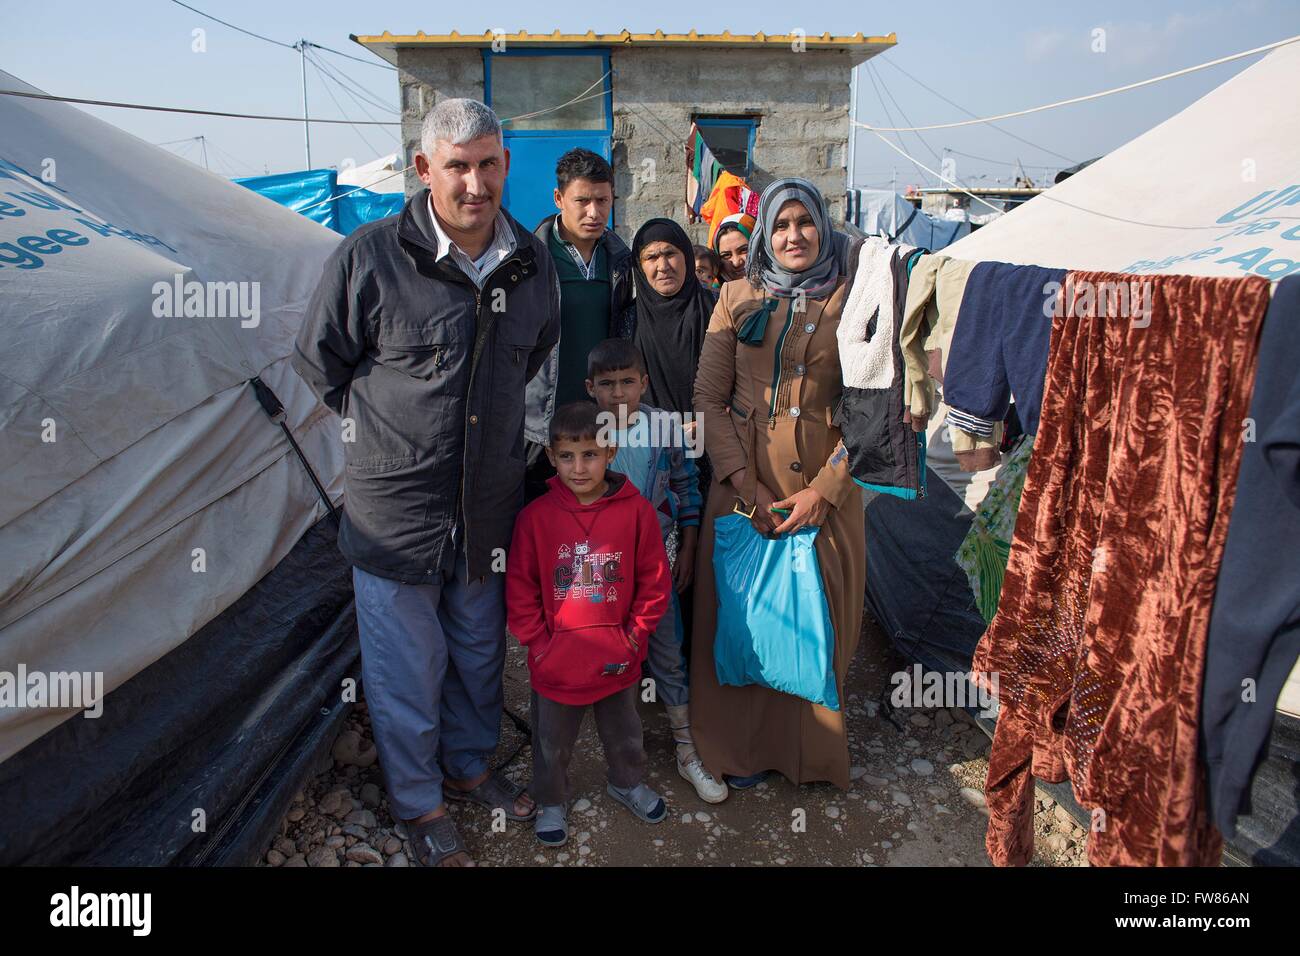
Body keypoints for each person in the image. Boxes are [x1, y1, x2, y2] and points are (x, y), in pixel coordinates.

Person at [292, 98, 559, 867]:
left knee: (478, 651)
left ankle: (470, 766)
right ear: (423, 169)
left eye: (487, 164)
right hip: (395, 512)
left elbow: (533, 352)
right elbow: (323, 363)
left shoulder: (531, 263)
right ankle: (420, 803)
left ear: (506, 166)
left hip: (486, 506)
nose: (475, 183)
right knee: (407, 667)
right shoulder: (371, 256)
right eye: (457, 166)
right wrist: (389, 435)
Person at [690, 177, 867, 793]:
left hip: (827, 486)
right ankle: (737, 750)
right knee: (742, 615)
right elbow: (708, 400)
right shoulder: (735, 295)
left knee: (814, 616)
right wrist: (745, 482)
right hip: (742, 484)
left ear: (823, 225)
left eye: (805, 222)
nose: (794, 236)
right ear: (765, 231)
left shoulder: (855, 294)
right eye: (781, 225)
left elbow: (875, 407)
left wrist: (824, 491)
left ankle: (809, 755)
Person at [506, 401, 673, 846]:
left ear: (612, 452)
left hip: (617, 657)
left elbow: (654, 579)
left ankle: (626, 782)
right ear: (550, 456)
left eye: (590, 455)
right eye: (567, 456)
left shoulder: (636, 512)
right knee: (551, 743)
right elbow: (521, 591)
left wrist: (635, 637)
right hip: (557, 663)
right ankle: (551, 801)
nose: (579, 467)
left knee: (624, 732)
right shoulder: (534, 519)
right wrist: (540, 646)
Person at [584, 338, 728, 803]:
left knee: (667, 648)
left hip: (657, 563)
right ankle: (624, 757)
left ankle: (688, 749)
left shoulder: (664, 428)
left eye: (628, 382)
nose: (619, 393)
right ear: (591, 389)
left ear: (643, 383)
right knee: (614, 653)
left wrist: (687, 547)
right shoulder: (584, 433)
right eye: (607, 385)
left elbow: (686, 490)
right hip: (604, 571)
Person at [525, 148, 635, 502]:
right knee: (538, 529)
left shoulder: (621, 260)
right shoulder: (527, 260)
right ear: (559, 198)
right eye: (582, 200)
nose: (594, 212)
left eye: (602, 201)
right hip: (539, 428)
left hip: (600, 428)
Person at [627, 218, 717, 417]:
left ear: (686, 257)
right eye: (651, 257)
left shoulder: (717, 308)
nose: (663, 266)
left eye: (670, 253)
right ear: (640, 267)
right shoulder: (628, 319)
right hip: (649, 440)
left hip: (713, 435)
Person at [712, 212, 754, 281]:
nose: (736, 263)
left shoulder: (776, 289)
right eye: (726, 255)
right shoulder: (712, 290)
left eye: (744, 250)